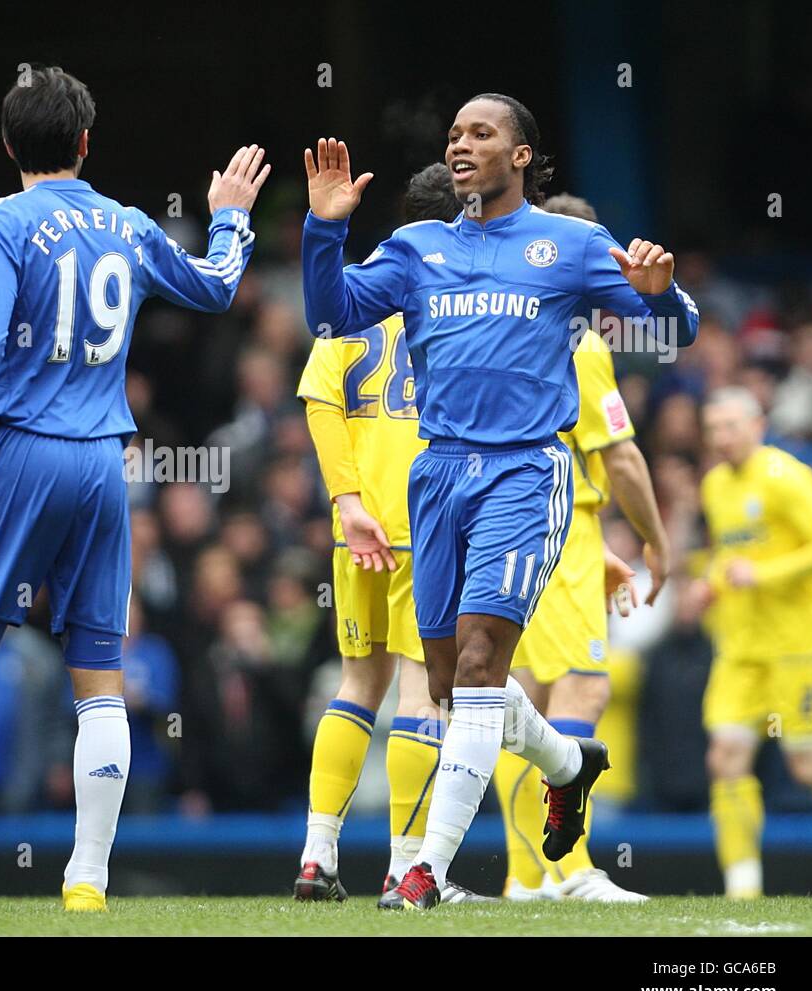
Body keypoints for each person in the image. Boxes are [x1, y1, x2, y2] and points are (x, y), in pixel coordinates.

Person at [301, 93, 699, 909]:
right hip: (436, 476)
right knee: (448, 684)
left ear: (522, 156)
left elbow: (678, 324)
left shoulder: (570, 243)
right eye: (453, 134)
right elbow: (328, 313)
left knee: (481, 665)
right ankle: (566, 764)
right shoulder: (416, 248)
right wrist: (326, 230)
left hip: (525, 472)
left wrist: (663, 293)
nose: (461, 144)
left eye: (481, 133)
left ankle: (424, 872)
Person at [0, 65, 269, 913]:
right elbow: (217, 287)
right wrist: (231, 217)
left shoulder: (3, 221)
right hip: (105, 461)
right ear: (83, 142)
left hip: (16, 453)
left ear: (8, 145)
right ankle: (88, 880)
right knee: (98, 671)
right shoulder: (126, 223)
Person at [292, 162, 489, 906]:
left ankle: (317, 855)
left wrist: (346, 501)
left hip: (361, 524)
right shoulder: (474, 292)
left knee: (355, 683)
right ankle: (406, 866)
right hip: (433, 520)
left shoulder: (363, 283)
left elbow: (320, 401)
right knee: (423, 692)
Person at [500, 193, 672, 904]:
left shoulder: (505, 321)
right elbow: (621, 457)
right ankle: (570, 870)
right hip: (559, 522)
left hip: (515, 518)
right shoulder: (580, 338)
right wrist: (658, 542)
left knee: (527, 703)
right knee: (583, 687)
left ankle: (521, 877)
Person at [697, 387, 812, 898]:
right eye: (712, 429)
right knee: (725, 756)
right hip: (739, 649)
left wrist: (764, 574)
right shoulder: (714, 485)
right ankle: (742, 886)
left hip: (795, 645)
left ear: (757, 425)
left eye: (729, 426)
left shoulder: (786, 477)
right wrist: (709, 582)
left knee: (809, 765)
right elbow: (727, 554)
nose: (719, 438)